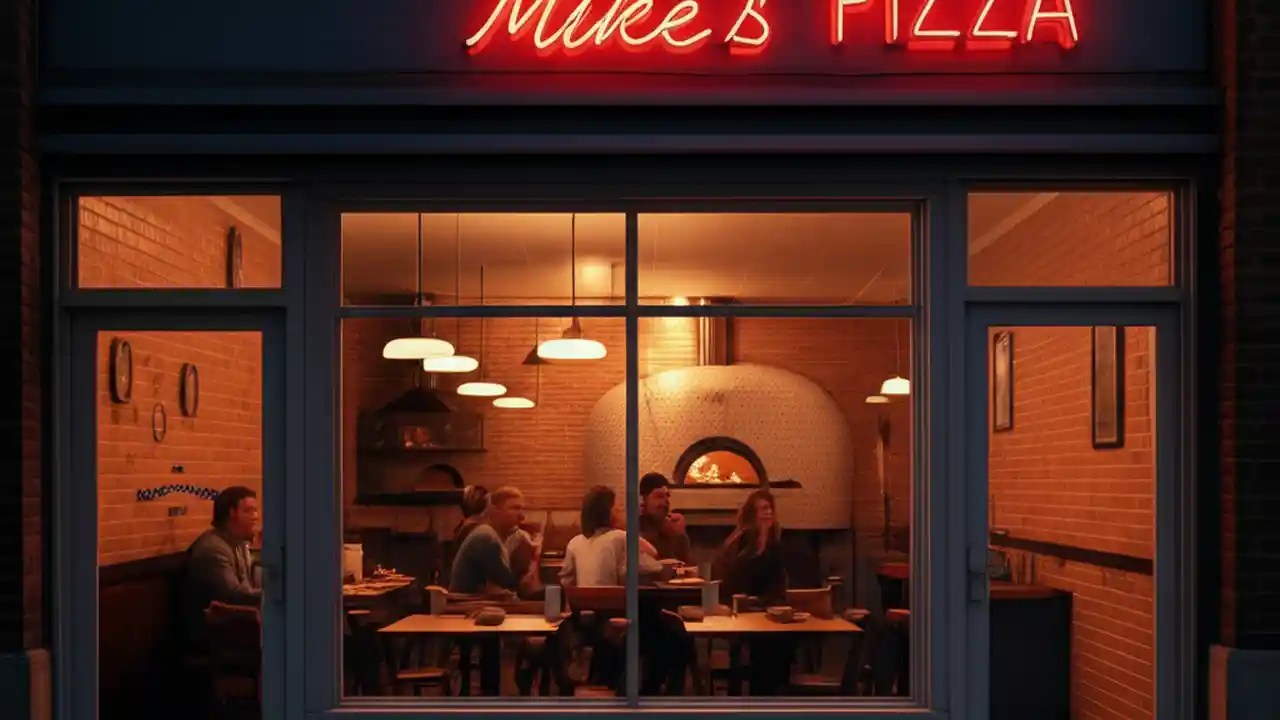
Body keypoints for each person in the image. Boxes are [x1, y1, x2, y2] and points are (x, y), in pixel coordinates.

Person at [719, 489, 790, 696]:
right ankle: (760, 696)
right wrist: (761, 539)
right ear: (752, 513)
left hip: (768, 606)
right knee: (766, 643)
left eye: (770, 508)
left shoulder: (775, 540)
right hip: (742, 607)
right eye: (762, 509)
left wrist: (774, 602)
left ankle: (771, 697)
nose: (768, 513)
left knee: (782, 641)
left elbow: (777, 576)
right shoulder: (743, 538)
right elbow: (741, 574)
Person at [183, 486, 261, 649]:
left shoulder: (236, 543)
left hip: (236, 629)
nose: (256, 517)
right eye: (249, 511)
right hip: (214, 638)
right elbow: (234, 596)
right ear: (232, 514)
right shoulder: (213, 549)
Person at [561, 485, 662, 587]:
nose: (620, 510)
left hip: (583, 602)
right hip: (614, 601)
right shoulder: (619, 537)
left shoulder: (574, 543)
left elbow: (566, 581)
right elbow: (654, 564)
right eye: (616, 507)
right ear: (608, 512)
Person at [448, 485, 528, 595]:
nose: (522, 516)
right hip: (465, 608)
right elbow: (508, 583)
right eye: (515, 508)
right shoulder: (486, 537)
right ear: (495, 510)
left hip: (476, 606)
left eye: (522, 509)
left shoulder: (493, 535)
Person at [637, 473, 691, 563]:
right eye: (659, 496)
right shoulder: (635, 529)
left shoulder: (675, 531)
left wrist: (680, 535)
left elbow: (686, 567)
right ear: (643, 499)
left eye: (667, 496)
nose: (666, 501)